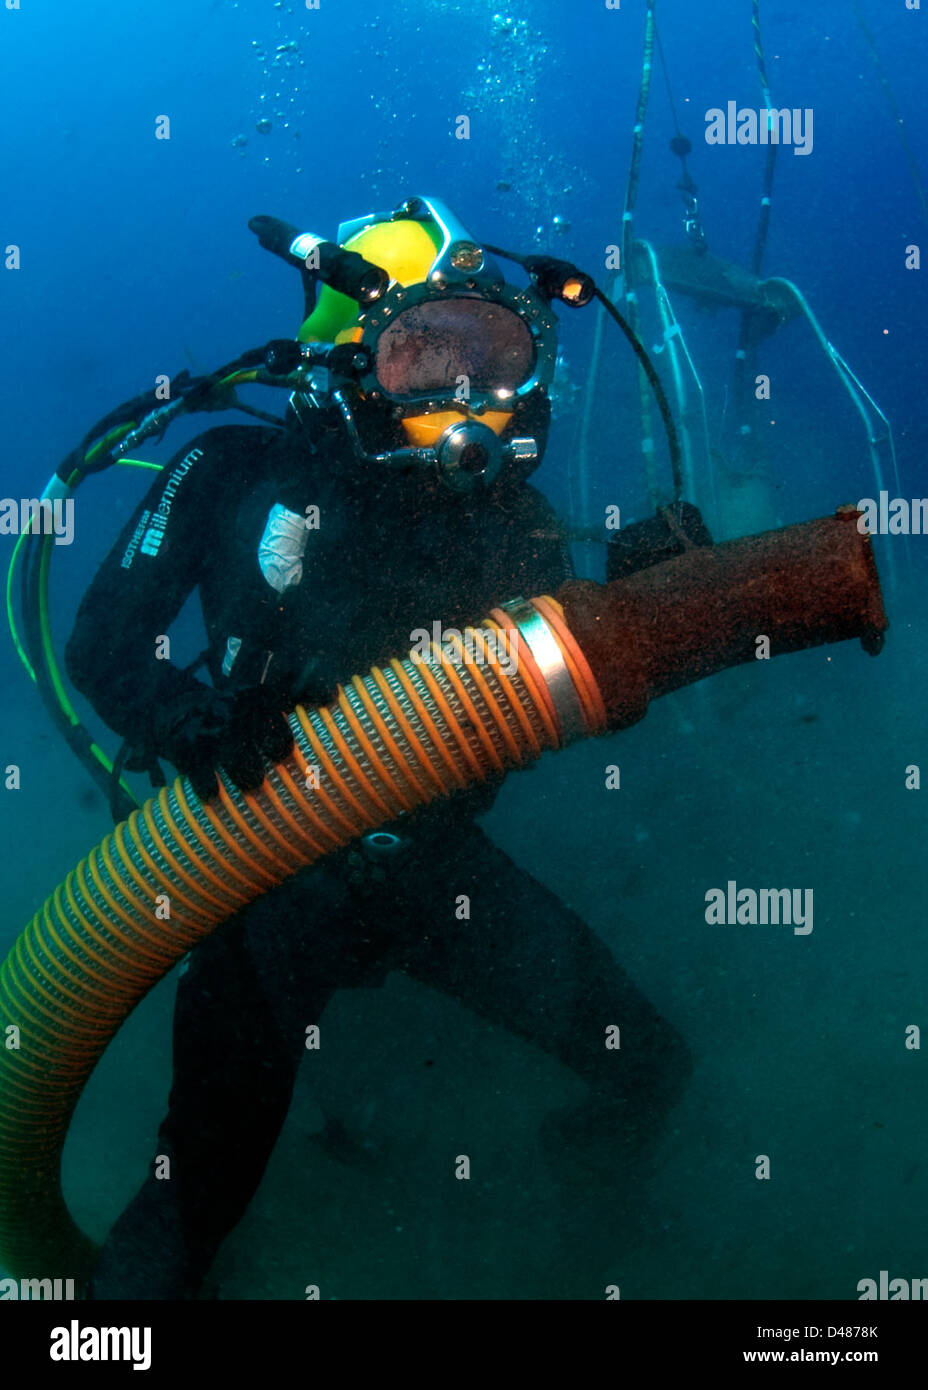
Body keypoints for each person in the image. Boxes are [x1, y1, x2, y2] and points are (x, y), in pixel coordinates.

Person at [66, 195, 692, 1299]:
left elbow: (545, 683)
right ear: (352, 358)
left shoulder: (512, 516)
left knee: (649, 1067)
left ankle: (598, 1228)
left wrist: (638, 593)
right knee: (180, 1216)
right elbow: (103, 645)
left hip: (436, 874)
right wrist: (182, 716)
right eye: (421, 352)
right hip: (259, 865)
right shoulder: (225, 471)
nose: (467, 396)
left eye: (491, 352)